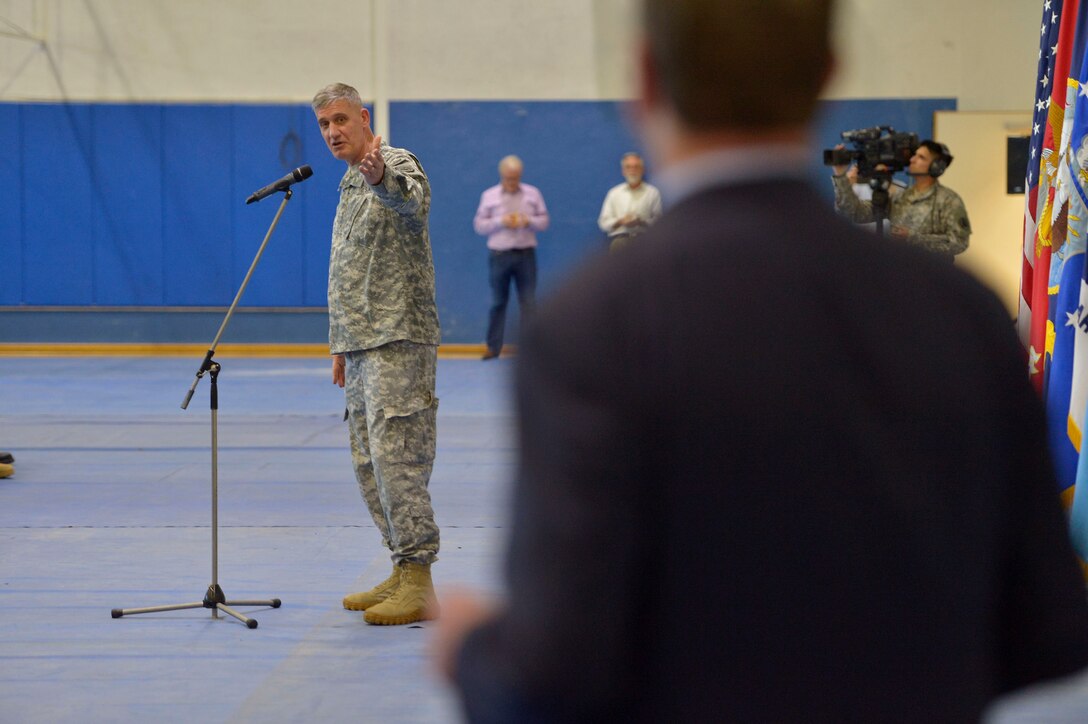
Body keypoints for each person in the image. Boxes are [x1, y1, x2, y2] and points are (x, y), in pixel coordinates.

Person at [432, 1, 1088, 721]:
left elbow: (553, 676)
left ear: (646, 78)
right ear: (828, 72)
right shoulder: (960, 314)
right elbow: (1045, 630)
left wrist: (468, 650)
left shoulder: (592, 325)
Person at [312, 82, 441, 626]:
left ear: (363, 117)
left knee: (398, 459)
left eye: (341, 119)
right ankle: (401, 565)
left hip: (397, 337)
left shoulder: (392, 162)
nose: (333, 132)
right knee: (368, 464)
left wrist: (381, 176)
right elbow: (348, 264)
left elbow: (410, 204)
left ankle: (419, 577)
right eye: (324, 125)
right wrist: (340, 343)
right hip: (361, 343)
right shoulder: (347, 181)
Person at [832, 140, 971, 260]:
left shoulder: (949, 200)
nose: (912, 159)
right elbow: (855, 213)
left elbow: (959, 242)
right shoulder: (899, 197)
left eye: (921, 157)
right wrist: (840, 175)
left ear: (936, 167)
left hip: (932, 279)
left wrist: (913, 238)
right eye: (914, 155)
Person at [473, 155, 550, 360]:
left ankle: (531, 350)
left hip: (526, 255)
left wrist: (527, 220)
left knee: (529, 302)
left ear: (520, 175)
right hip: (499, 255)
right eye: (508, 178)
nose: (512, 182)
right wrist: (500, 221)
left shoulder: (533, 194)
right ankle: (493, 346)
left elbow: (544, 222)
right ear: (502, 175)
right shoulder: (489, 196)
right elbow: (479, 225)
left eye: (515, 178)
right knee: (498, 302)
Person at [597, 151, 662, 251]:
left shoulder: (652, 192)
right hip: (620, 241)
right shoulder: (614, 193)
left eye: (636, 167)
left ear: (642, 170)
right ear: (623, 171)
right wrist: (620, 222)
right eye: (628, 167)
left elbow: (660, 222)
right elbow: (603, 223)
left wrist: (641, 222)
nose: (632, 170)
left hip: (645, 241)